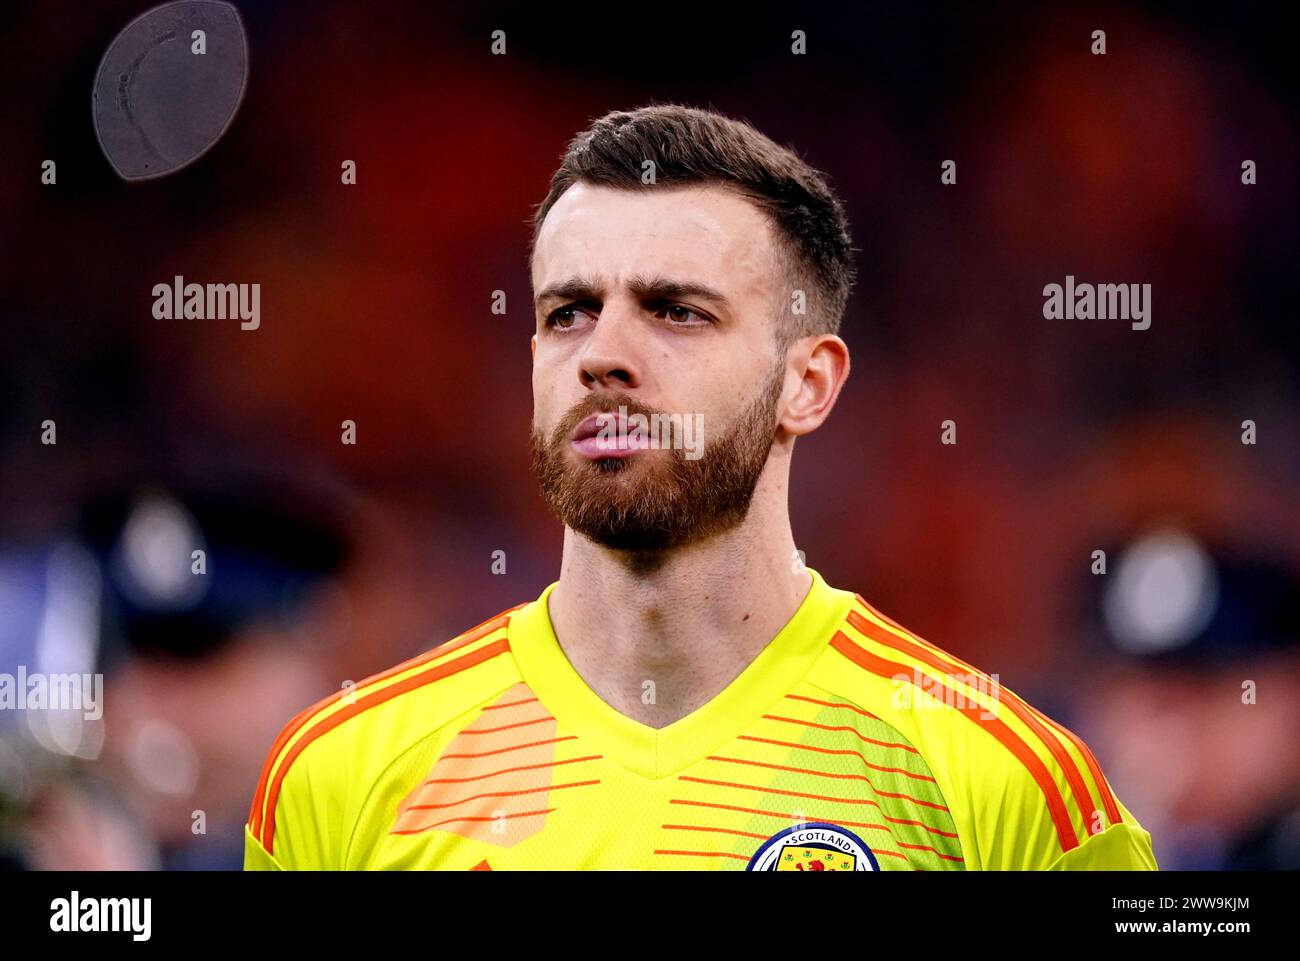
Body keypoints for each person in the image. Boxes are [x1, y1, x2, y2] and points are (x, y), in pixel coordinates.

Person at [245, 105, 1156, 870]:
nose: (602, 354)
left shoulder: (1006, 788)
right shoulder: (341, 774)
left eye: (676, 311)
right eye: (568, 314)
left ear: (809, 383)